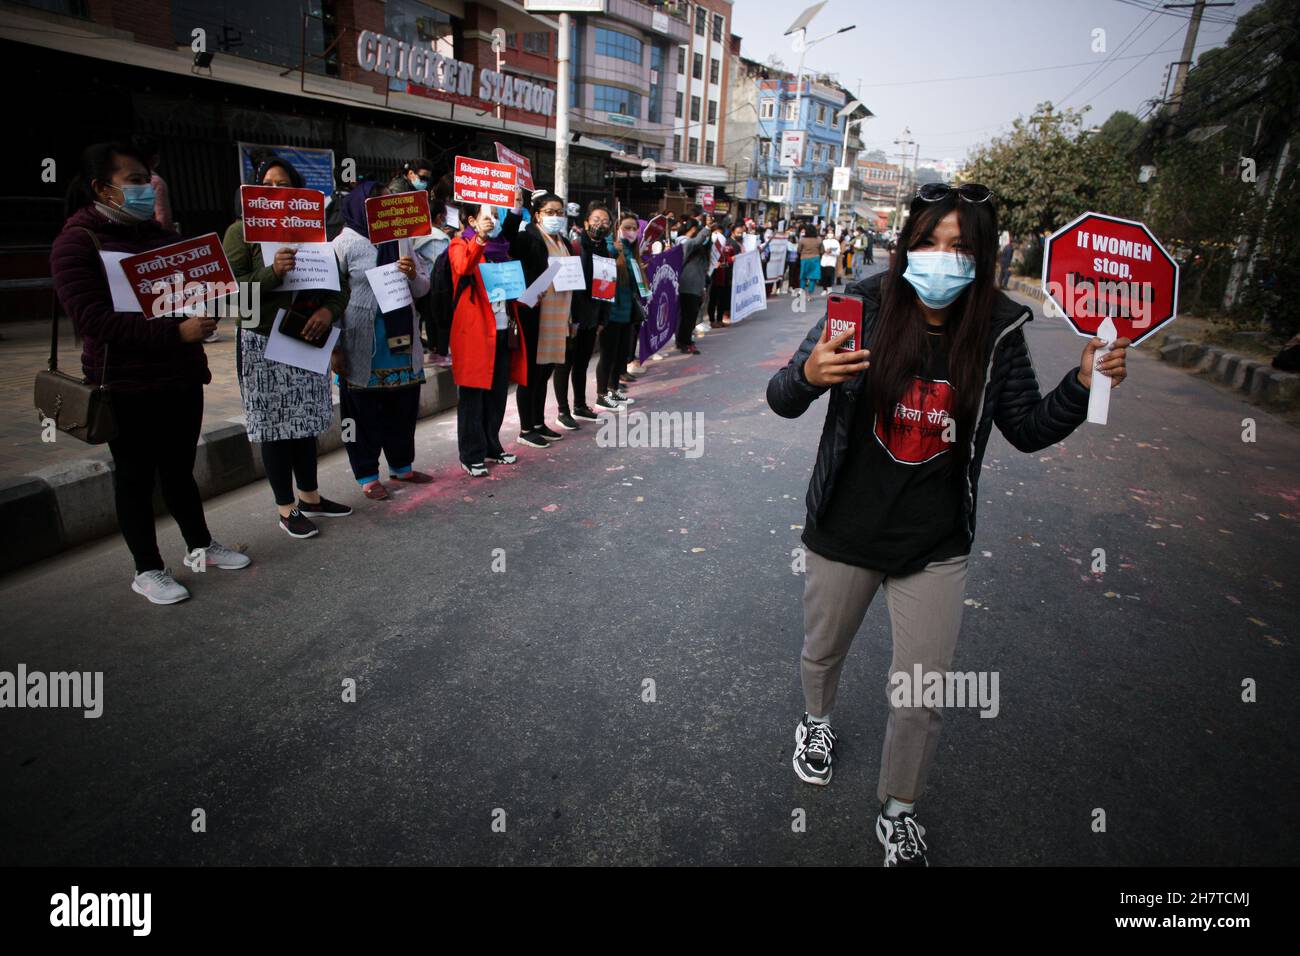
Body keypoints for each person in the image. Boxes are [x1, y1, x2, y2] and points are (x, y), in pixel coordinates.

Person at [765, 181, 1130, 866]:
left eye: (958, 247)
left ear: (981, 257)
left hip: (935, 545)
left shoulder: (997, 329)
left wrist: (1083, 384)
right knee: (823, 652)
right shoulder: (861, 306)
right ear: (906, 244)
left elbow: (1025, 427)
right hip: (845, 528)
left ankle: (897, 809)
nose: (941, 257)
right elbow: (783, 397)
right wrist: (809, 375)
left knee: (922, 694)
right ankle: (816, 725)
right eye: (929, 241)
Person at [50, 141, 251, 605]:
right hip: (125, 383)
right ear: (102, 188)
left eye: (148, 179)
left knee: (180, 471)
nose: (147, 188)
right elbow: (93, 321)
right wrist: (173, 333)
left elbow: (196, 295)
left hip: (179, 379)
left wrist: (207, 310)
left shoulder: (161, 238)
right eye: (135, 181)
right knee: (135, 478)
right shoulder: (77, 244)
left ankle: (200, 546)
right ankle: (147, 568)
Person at [223, 157, 352, 539]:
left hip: (306, 337)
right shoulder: (239, 233)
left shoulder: (312, 236)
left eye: (284, 185)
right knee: (274, 428)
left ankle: (310, 497)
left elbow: (338, 288)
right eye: (267, 185)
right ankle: (286, 507)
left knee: (304, 425)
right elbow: (234, 296)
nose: (276, 192)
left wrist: (329, 313)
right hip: (263, 341)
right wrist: (271, 273)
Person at [332, 180, 433, 499]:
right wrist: (335, 348)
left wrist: (413, 274)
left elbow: (423, 289)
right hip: (362, 346)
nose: (380, 206)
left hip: (401, 343)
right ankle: (367, 475)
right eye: (373, 200)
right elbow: (330, 295)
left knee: (403, 408)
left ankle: (402, 467)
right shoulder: (345, 243)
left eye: (384, 200)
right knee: (364, 416)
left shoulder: (402, 239)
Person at [449, 198, 528, 476]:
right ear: (471, 221)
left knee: (496, 394)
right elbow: (463, 268)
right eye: (486, 216)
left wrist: (528, 295)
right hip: (474, 333)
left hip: (503, 328)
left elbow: (510, 290)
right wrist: (480, 238)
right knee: (472, 396)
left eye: (495, 215)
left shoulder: (502, 250)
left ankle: (492, 445)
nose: (492, 220)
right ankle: (471, 454)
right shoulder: (460, 245)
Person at [510, 190, 575, 442]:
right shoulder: (529, 238)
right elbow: (510, 246)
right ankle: (526, 429)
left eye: (559, 213)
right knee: (531, 374)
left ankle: (538, 422)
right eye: (549, 212)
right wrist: (515, 210)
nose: (555, 217)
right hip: (534, 313)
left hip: (558, 316)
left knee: (545, 371)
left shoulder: (564, 242)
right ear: (537, 215)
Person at [557, 201, 613, 416]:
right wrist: (570, 317)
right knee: (565, 365)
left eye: (606, 221)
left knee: (581, 364)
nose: (601, 224)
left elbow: (607, 289)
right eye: (596, 220)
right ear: (586, 222)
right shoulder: (574, 247)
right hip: (572, 318)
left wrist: (602, 319)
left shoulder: (605, 252)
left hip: (592, 317)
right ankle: (563, 411)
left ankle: (580, 405)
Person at [595, 212, 641, 409]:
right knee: (607, 355)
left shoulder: (632, 250)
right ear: (617, 228)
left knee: (620, 354)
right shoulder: (608, 245)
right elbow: (601, 269)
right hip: (611, 311)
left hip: (627, 310)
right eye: (627, 227)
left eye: (634, 228)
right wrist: (613, 251)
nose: (630, 232)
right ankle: (601, 394)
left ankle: (613, 390)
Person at [675, 218, 714, 354]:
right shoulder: (686, 243)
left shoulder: (702, 252)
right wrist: (707, 228)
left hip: (697, 286)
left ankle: (683, 340)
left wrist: (703, 287)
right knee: (688, 316)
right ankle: (685, 342)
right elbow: (696, 241)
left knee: (690, 316)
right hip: (687, 286)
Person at [708, 221, 743, 327]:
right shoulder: (708, 245)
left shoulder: (726, 245)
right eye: (715, 233)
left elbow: (730, 258)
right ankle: (712, 320)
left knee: (722, 300)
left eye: (720, 233)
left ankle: (720, 319)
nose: (718, 236)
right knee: (713, 300)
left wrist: (729, 260)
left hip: (724, 276)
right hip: (712, 277)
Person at [797, 224, 822, 298]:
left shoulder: (802, 240)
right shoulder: (818, 239)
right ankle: (810, 293)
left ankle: (801, 290)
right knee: (812, 277)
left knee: (803, 276)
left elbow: (799, 250)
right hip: (815, 259)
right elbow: (822, 250)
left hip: (804, 259)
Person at [820, 229, 841, 295]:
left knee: (829, 275)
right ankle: (824, 289)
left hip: (832, 261)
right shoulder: (824, 241)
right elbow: (820, 250)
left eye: (831, 233)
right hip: (824, 260)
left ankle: (829, 288)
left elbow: (838, 252)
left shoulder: (836, 242)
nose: (830, 234)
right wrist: (824, 251)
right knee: (824, 275)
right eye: (829, 233)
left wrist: (831, 252)